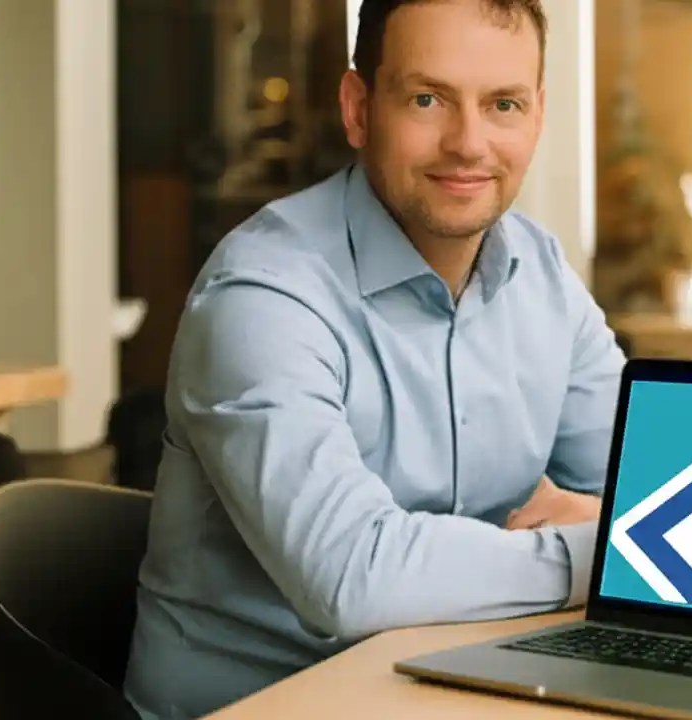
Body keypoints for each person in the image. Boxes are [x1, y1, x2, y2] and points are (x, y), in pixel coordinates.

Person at [122, 1, 625, 716]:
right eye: (428, 99)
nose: (468, 143)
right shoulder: (263, 294)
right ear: (358, 109)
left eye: (503, 105)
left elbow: (678, 503)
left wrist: (619, 525)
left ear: (538, 117)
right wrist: (607, 553)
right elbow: (354, 577)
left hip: (454, 690)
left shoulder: (541, 274)